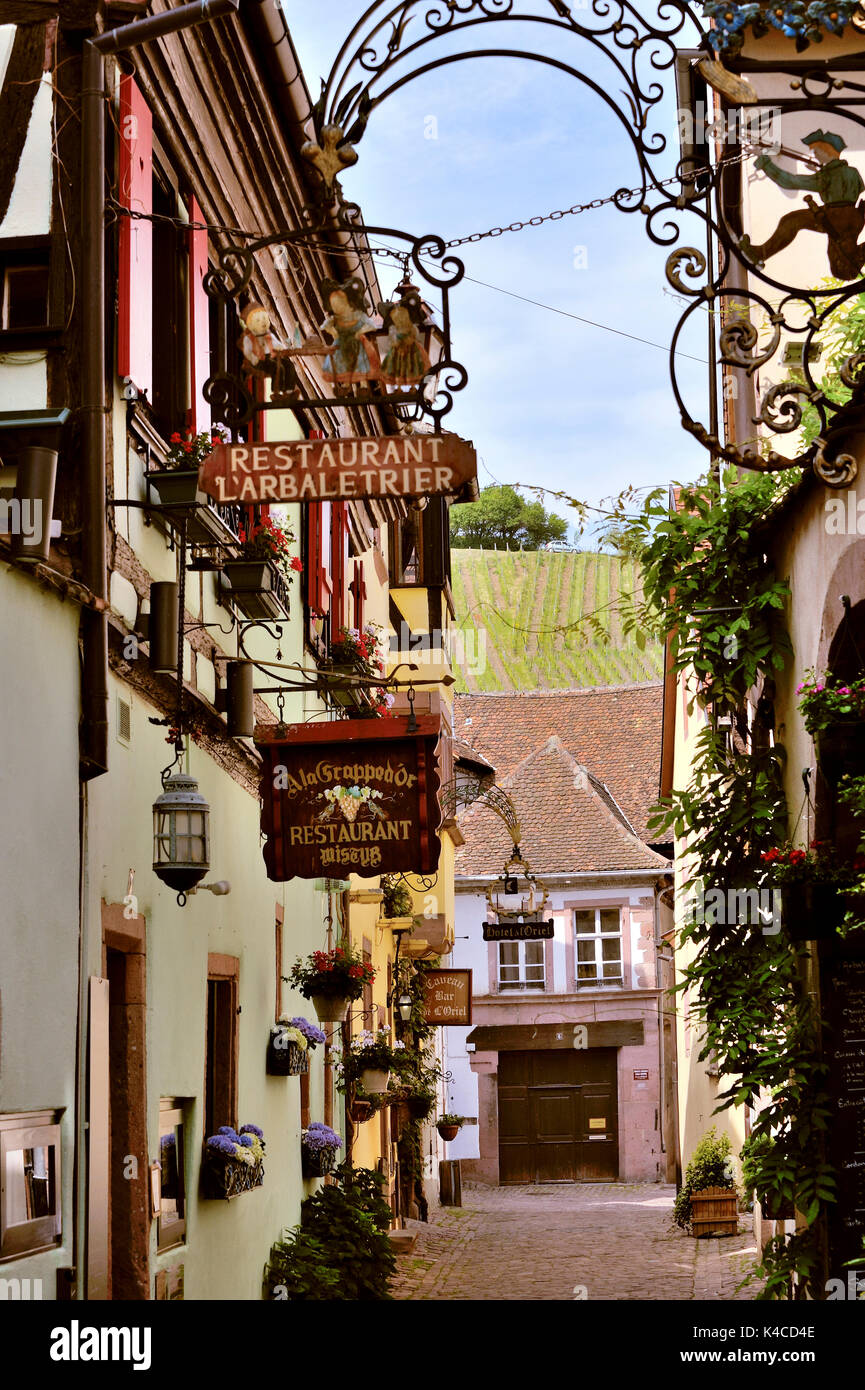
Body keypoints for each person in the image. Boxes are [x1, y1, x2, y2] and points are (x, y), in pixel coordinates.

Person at [739, 129, 865, 280]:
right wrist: (824, 171)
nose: (815, 155)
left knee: (792, 221)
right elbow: (859, 186)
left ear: (827, 151)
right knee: (840, 253)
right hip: (854, 218)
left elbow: (789, 181)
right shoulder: (852, 171)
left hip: (835, 216)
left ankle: (759, 255)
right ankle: (850, 264)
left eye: (817, 151)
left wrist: (764, 160)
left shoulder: (825, 176)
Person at [319, 277, 381, 385]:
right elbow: (326, 326)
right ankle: (346, 385)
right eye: (334, 305)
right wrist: (333, 332)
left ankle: (363, 386)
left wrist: (360, 332)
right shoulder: (336, 319)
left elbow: (371, 325)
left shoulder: (357, 315)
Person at [378, 294, 431, 386]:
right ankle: (399, 387)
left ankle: (417, 386)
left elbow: (415, 335)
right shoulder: (394, 329)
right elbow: (392, 339)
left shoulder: (411, 328)